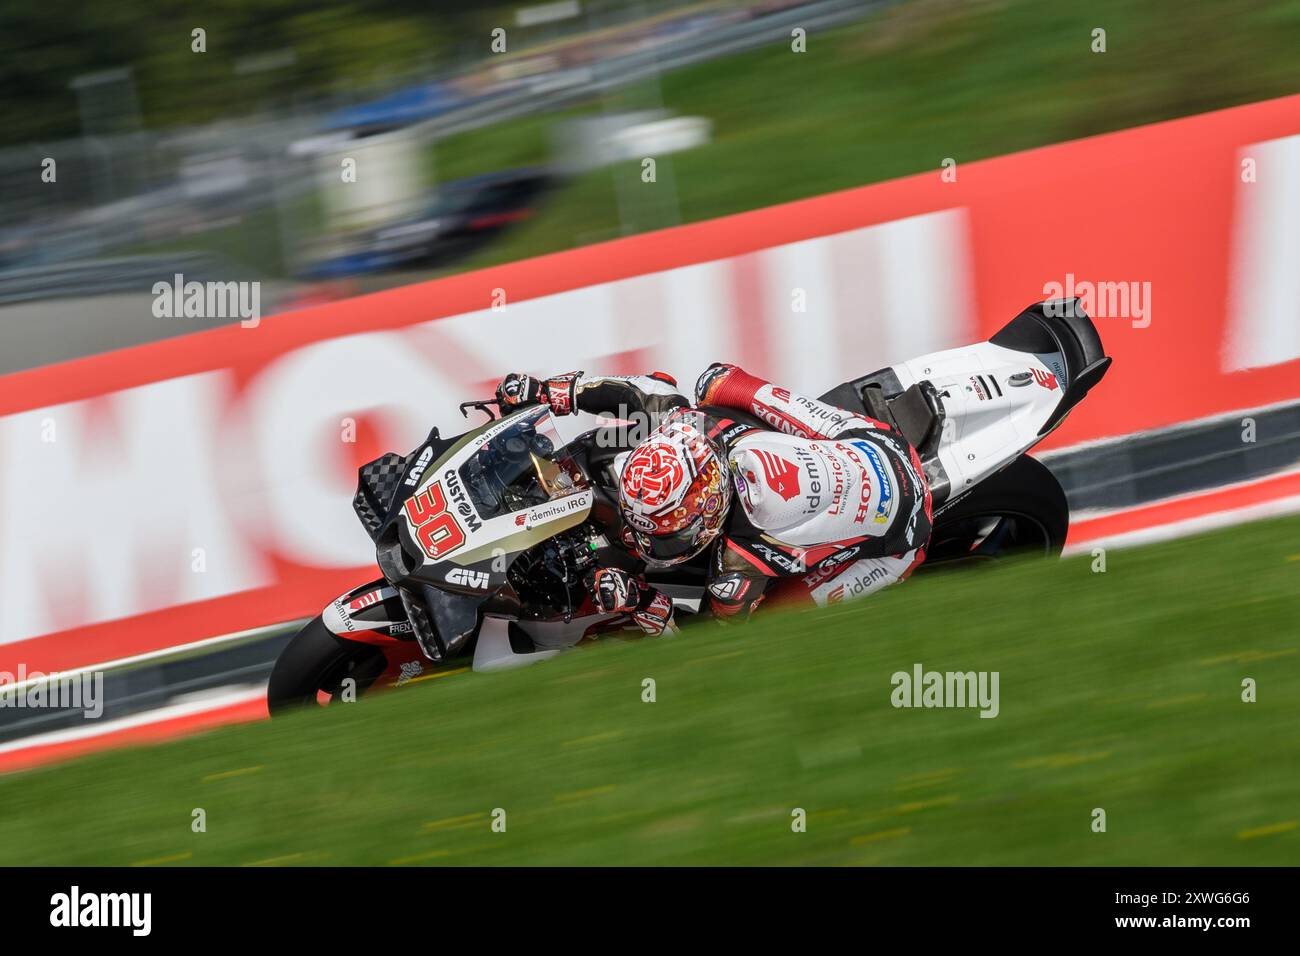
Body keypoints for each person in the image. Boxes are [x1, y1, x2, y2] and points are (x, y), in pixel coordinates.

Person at [494, 365, 932, 635]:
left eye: (670, 532)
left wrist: (643, 603)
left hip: (903, 537)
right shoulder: (686, 424)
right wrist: (547, 392)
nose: (649, 540)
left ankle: (885, 562)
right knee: (719, 382)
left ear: (708, 511)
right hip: (877, 443)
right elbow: (634, 389)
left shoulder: (739, 563)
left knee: (758, 631)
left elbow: (710, 637)